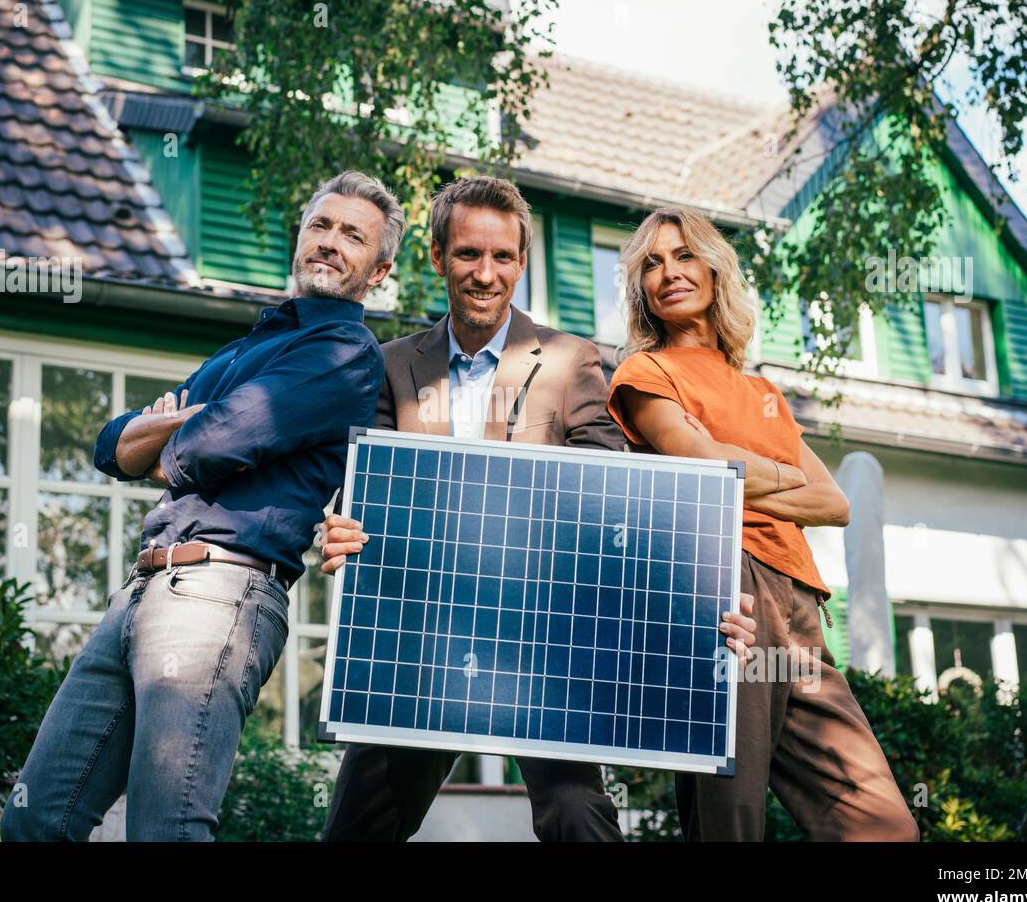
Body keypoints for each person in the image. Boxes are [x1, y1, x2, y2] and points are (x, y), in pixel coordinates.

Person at [316, 176, 758, 841]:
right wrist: (342, 531)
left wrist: (706, 603)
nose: (486, 274)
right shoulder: (392, 365)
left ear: (522, 263)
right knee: (355, 825)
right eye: (468, 254)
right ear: (437, 257)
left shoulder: (570, 360)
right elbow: (367, 495)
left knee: (578, 816)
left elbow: (627, 504)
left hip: (543, 646)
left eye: (503, 257)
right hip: (427, 638)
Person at [1, 170, 402, 841]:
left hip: (220, 591)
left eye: (352, 235)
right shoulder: (243, 350)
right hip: (136, 592)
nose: (329, 242)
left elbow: (207, 446)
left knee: (166, 829)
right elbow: (110, 446)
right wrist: (180, 427)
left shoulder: (345, 352)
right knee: (35, 818)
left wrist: (168, 429)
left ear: (380, 268)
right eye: (319, 226)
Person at [605, 204, 919, 841]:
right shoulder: (646, 373)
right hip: (724, 595)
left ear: (717, 271)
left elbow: (835, 504)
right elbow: (701, 463)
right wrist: (778, 474)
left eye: (685, 255)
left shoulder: (763, 393)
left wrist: (741, 473)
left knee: (882, 824)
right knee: (729, 822)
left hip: (800, 606)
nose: (669, 272)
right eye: (653, 264)